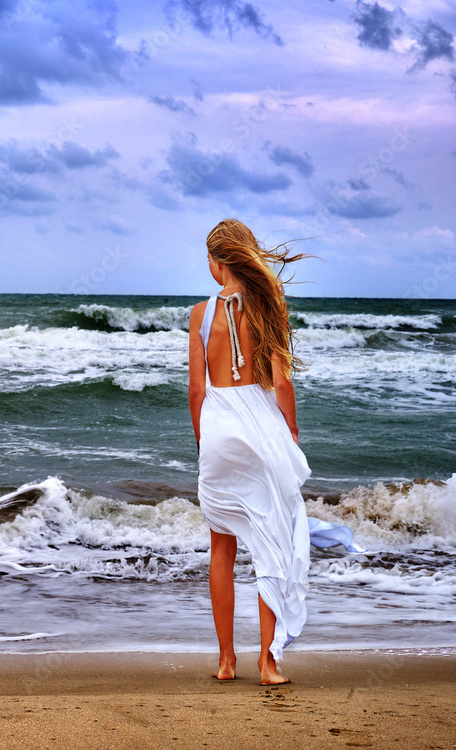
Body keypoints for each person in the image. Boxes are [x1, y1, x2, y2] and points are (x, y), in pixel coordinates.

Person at [188, 219, 362, 686]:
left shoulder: (199, 314)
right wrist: (292, 426)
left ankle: (226, 662)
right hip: (260, 429)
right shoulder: (270, 306)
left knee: (221, 548)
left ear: (216, 262)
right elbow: (281, 382)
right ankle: (267, 664)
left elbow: (197, 392)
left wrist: (204, 443)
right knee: (273, 544)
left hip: (219, 430)